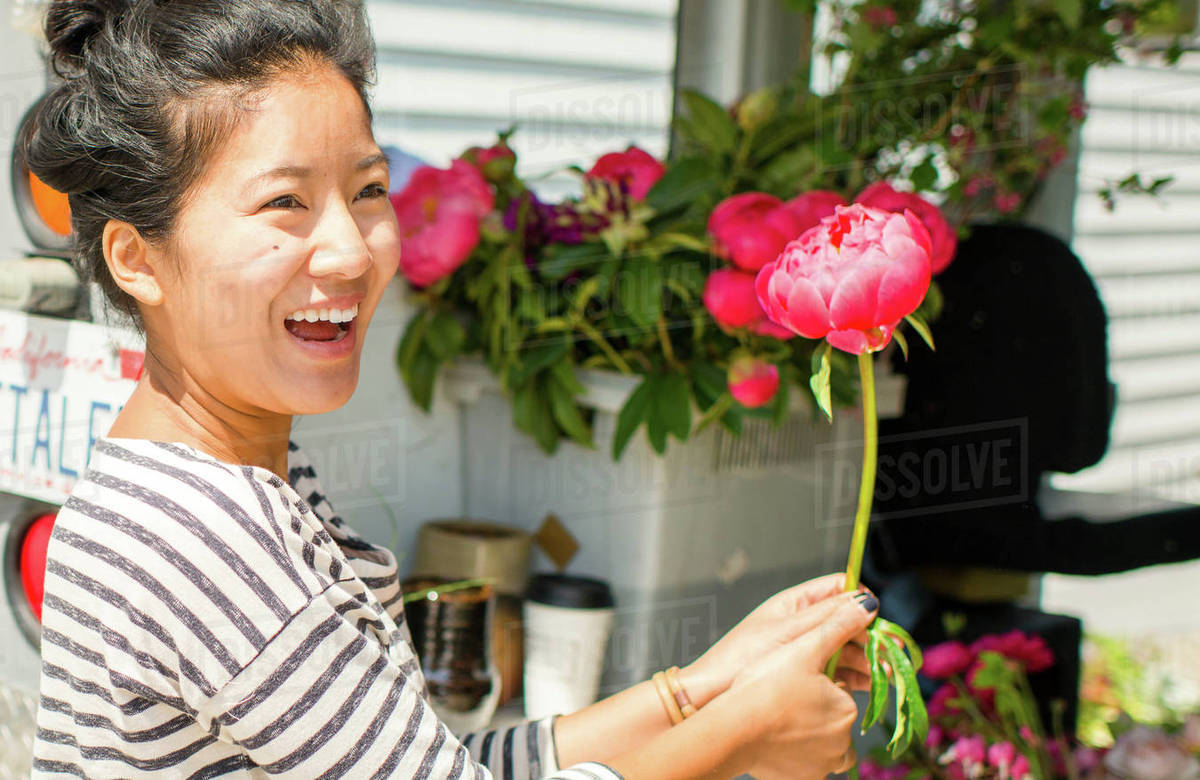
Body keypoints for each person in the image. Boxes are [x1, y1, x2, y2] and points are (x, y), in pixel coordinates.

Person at [22, 1, 879, 777]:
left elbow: (432, 761)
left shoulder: (236, 478)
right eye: (284, 203)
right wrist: (741, 738)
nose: (353, 253)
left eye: (367, 191)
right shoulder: (202, 535)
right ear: (137, 259)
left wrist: (705, 688)